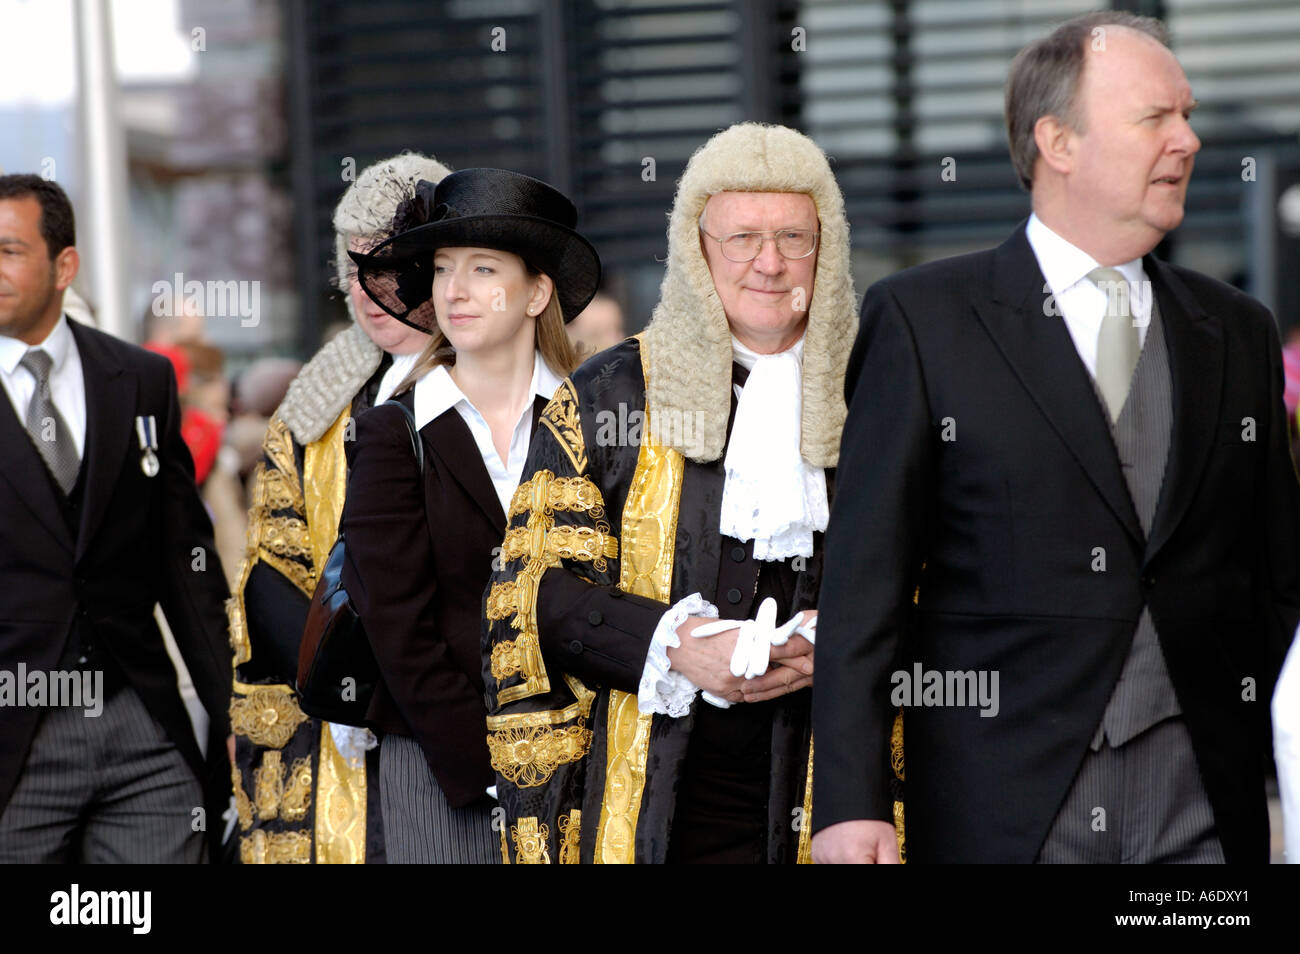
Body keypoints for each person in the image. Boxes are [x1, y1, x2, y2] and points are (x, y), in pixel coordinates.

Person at [812, 11, 1300, 864]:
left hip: (1206, 812)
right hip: (1003, 810)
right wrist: (850, 804)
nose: (1187, 140)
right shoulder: (926, 320)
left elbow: (1275, 579)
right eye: (1156, 117)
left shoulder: (1237, 329)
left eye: (1187, 115)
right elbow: (865, 587)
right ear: (1057, 142)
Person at [481, 123, 858, 863]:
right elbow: (536, 588)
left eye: (794, 237)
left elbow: (952, 564)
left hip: (836, 779)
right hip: (666, 784)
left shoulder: (882, 378)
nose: (770, 263)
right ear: (698, 249)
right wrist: (677, 644)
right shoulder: (611, 389)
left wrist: (844, 636)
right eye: (742, 238)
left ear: (827, 247)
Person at [344, 167, 596, 862]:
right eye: (444, 269)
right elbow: (395, 625)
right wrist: (485, 766)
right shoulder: (395, 431)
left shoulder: (596, 424)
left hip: (587, 762)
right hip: (441, 767)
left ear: (536, 292)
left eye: (483, 269)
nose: (454, 290)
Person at [0, 174, 232, 862]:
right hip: (14, 744)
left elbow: (185, 564)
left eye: (9, 250)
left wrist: (229, 711)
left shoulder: (140, 380)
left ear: (64, 265)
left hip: (142, 731)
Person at [227, 152, 449, 864]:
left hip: (453, 713)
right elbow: (274, 562)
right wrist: (335, 674)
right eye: (351, 267)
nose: (362, 289)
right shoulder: (314, 401)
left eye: (382, 266)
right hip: (331, 722)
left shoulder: (503, 377)